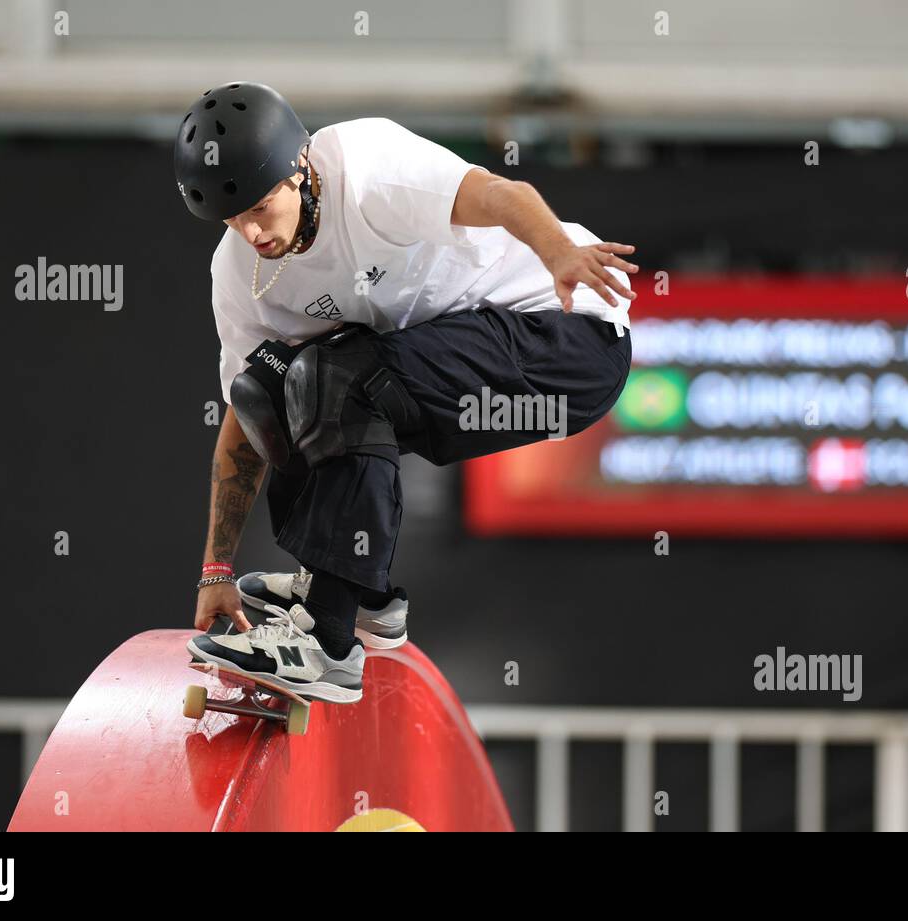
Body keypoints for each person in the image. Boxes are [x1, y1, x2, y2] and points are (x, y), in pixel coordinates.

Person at [177, 82, 636, 704]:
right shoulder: (239, 274)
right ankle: (360, 596)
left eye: (260, 208)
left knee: (336, 379)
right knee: (277, 386)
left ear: (301, 169)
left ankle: (329, 642)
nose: (252, 232)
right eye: (232, 219)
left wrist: (559, 253)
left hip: (565, 337)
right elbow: (244, 418)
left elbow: (505, 194)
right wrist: (216, 569)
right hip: (463, 359)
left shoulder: (366, 170)